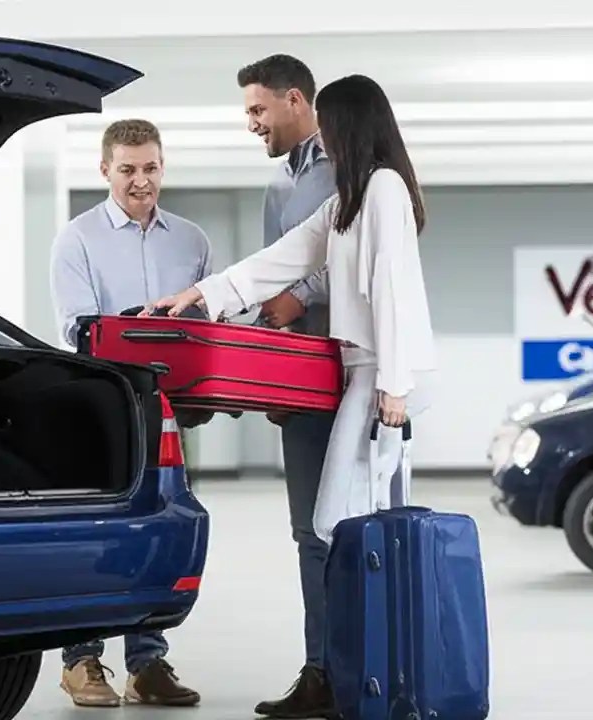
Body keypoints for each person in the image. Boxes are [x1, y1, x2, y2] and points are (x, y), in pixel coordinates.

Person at [143, 74, 437, 717]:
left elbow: (393, 287)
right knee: (347, 525)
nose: (324, 136)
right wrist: (203, 296)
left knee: (338, 522)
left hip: (382, 375)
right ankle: (355, 675)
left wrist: (393, 384)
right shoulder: (349, 200)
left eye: (331, 123)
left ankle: (364, 672)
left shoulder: (383, 188)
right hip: (359, 371)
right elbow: (282, 257)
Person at [48, 118, 210, 708]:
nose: (141, 181)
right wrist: (141, 327)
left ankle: (148, 662)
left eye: (150, 168)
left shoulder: (190, 240)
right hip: (101, 408)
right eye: (127, 170)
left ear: (162, 166)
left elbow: (201, 327)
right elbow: (77, 326)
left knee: (158, 529)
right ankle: (81, 659)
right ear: (105, 170)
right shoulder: (79, 238)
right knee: (98, 535)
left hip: (166, 414)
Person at [235, 54, 344, 720]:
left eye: (257, 110)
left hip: (357, 373)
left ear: (294, 100)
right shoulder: (279, 188)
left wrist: (300, 299)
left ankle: (372, 665)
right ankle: (321, 673)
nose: (251, 124)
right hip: (302, 384)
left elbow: (363, 256)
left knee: (361, 530)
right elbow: (266, 277)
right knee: (310, 532)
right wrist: (269, 368)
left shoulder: (356, 166)